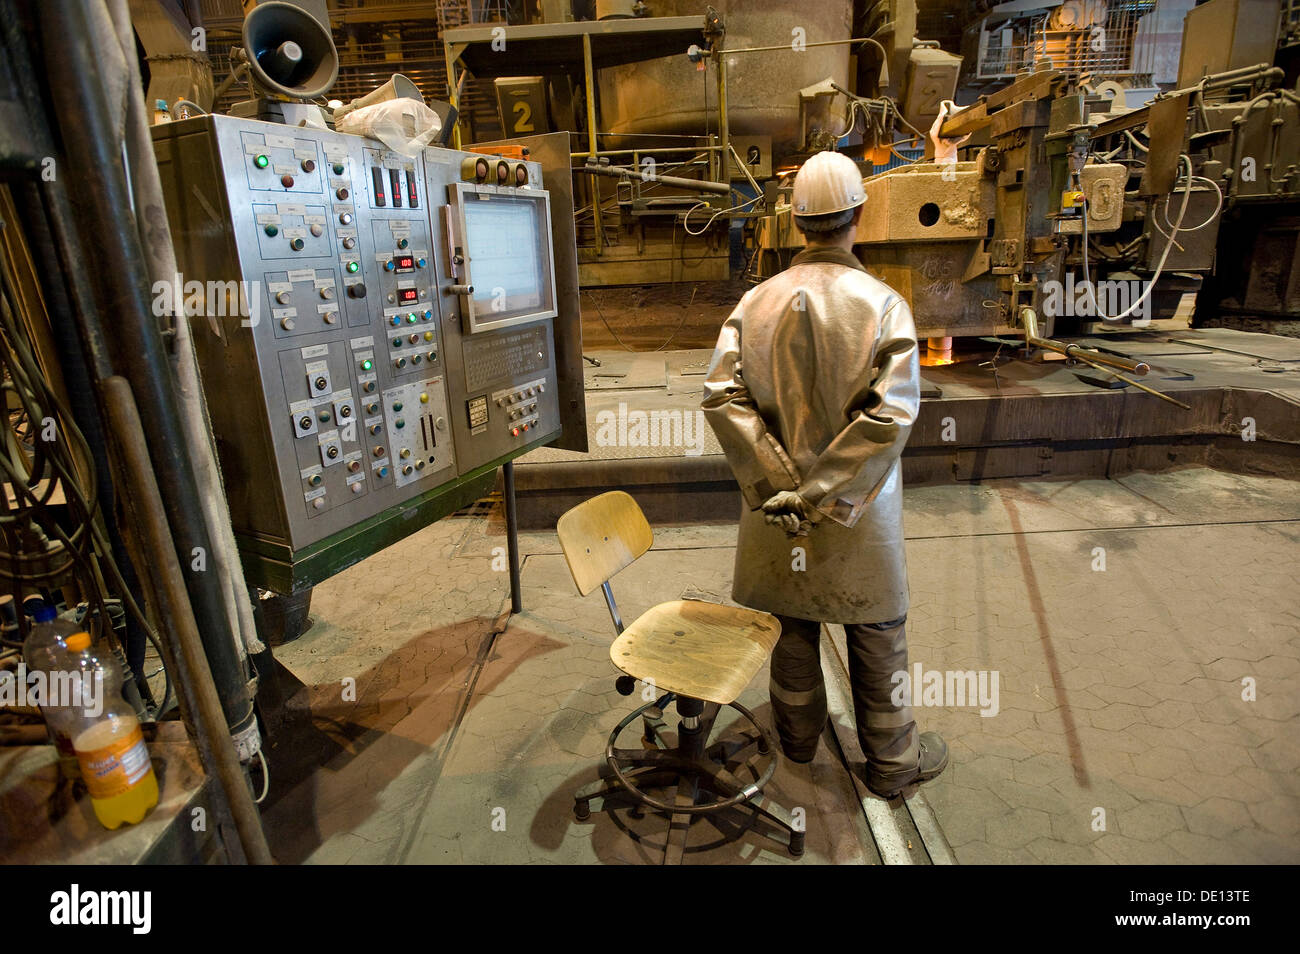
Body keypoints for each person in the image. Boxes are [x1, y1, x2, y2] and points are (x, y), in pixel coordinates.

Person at [701, 150, 947, 799]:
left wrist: (780, 487)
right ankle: (893, 767)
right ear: (858, 215)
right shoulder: (885, 304)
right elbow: (891, 414)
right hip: (859, 513)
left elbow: (721, 396)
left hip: (775, 513)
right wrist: (822, 488)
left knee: (791, 624)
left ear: (794, 221)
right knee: (877, 635)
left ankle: (799, 744)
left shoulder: (753, 303)